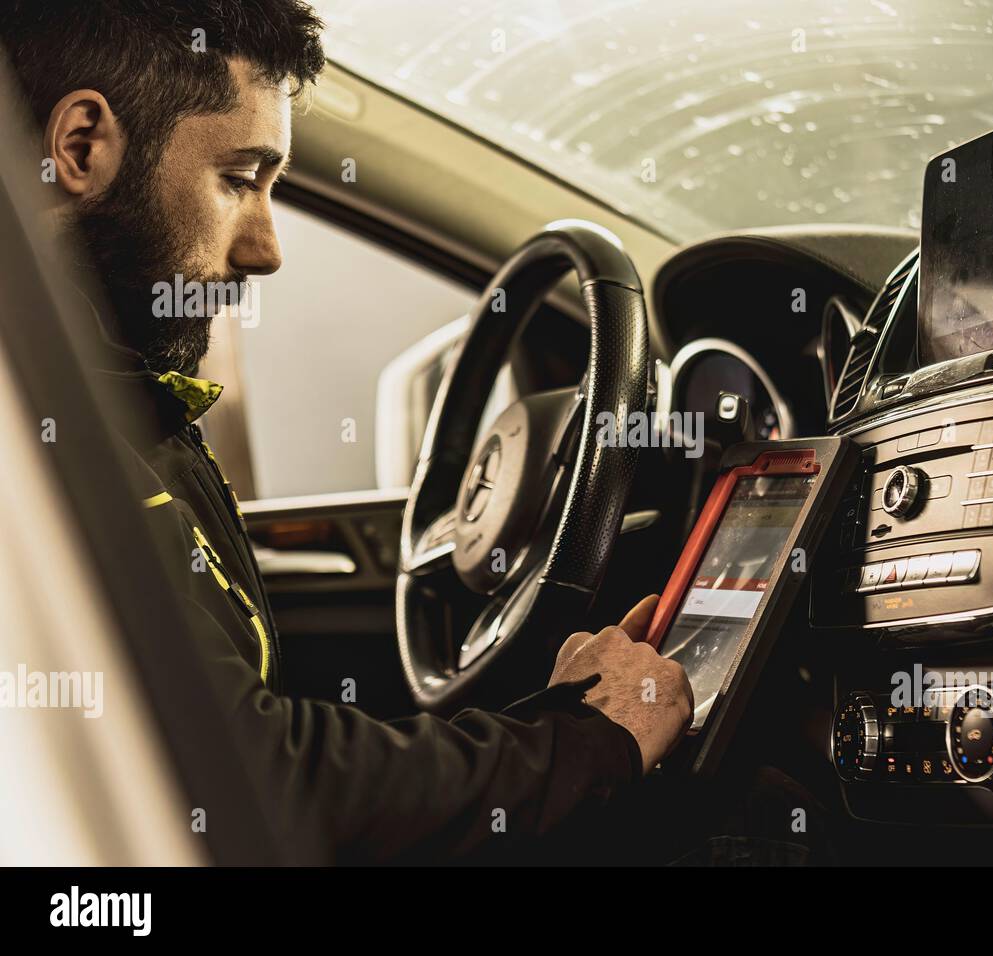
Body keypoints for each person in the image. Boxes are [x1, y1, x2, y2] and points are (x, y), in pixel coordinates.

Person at [1, 0, 693, 863]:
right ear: (79, 148)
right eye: (240, 178)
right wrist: (583, 745)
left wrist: (549, 733)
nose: (264, 248)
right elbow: (233, 770)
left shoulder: (99, 400)